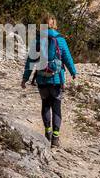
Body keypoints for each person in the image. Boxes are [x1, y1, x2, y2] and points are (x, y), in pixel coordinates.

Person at [21, 14, 77, 148]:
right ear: (54, 24)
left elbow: (31, 60)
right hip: (57, 80)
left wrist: (25, 78)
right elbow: (67, 57)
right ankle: (56, 138)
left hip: (41, 79)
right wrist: (73, 72)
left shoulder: (38, 39)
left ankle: (48, 132)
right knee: (56, 107)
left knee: (45, 104)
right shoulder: (60, 39)